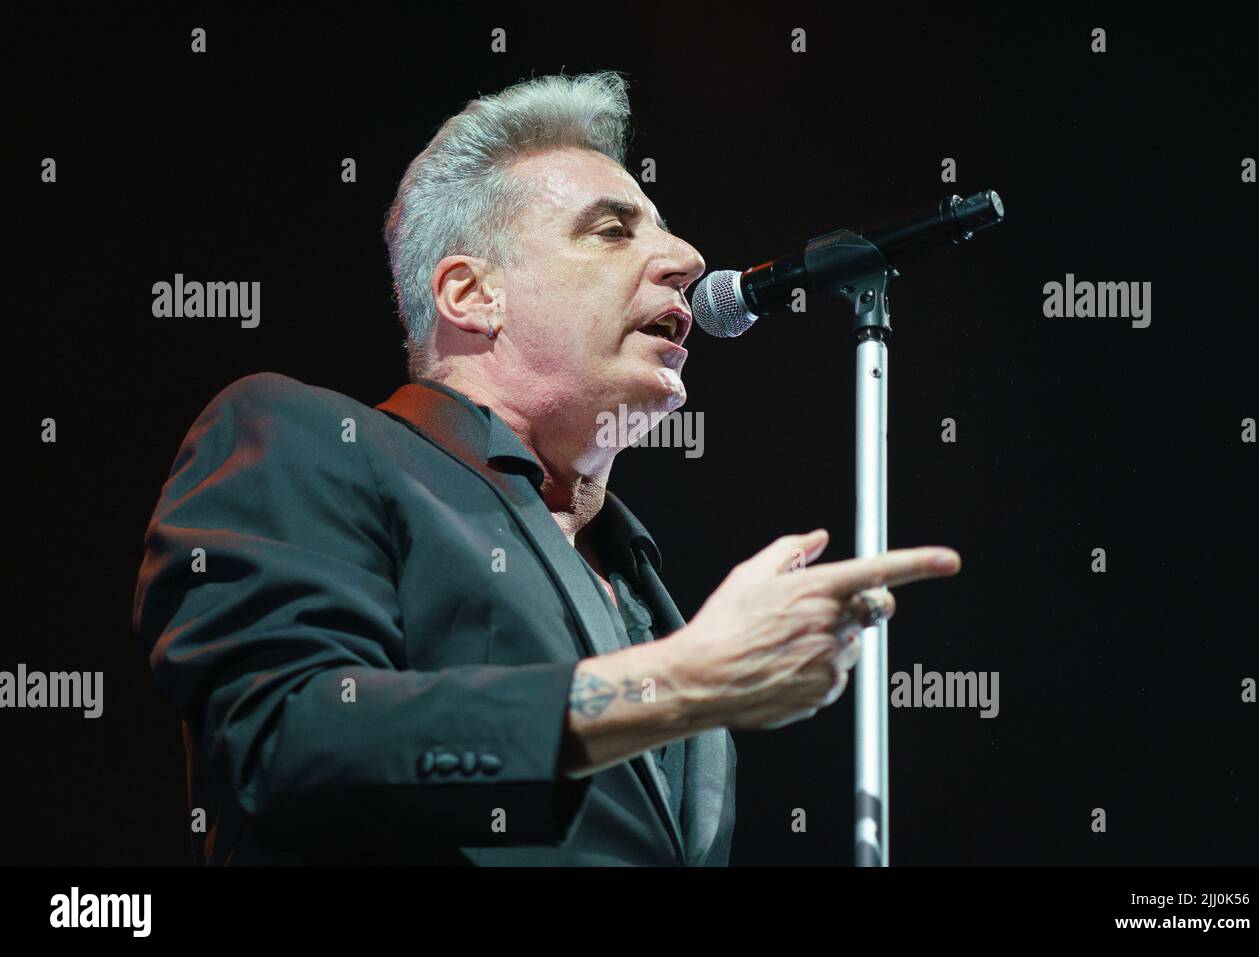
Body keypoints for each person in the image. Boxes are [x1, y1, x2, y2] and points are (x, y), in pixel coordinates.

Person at [131, 71, 962, 866]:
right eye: (611, 230)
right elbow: (283, 742)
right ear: (470, 294)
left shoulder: (646, 585)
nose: (684, 256)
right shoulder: (304, 439)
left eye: (663, 229)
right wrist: (684, 679)